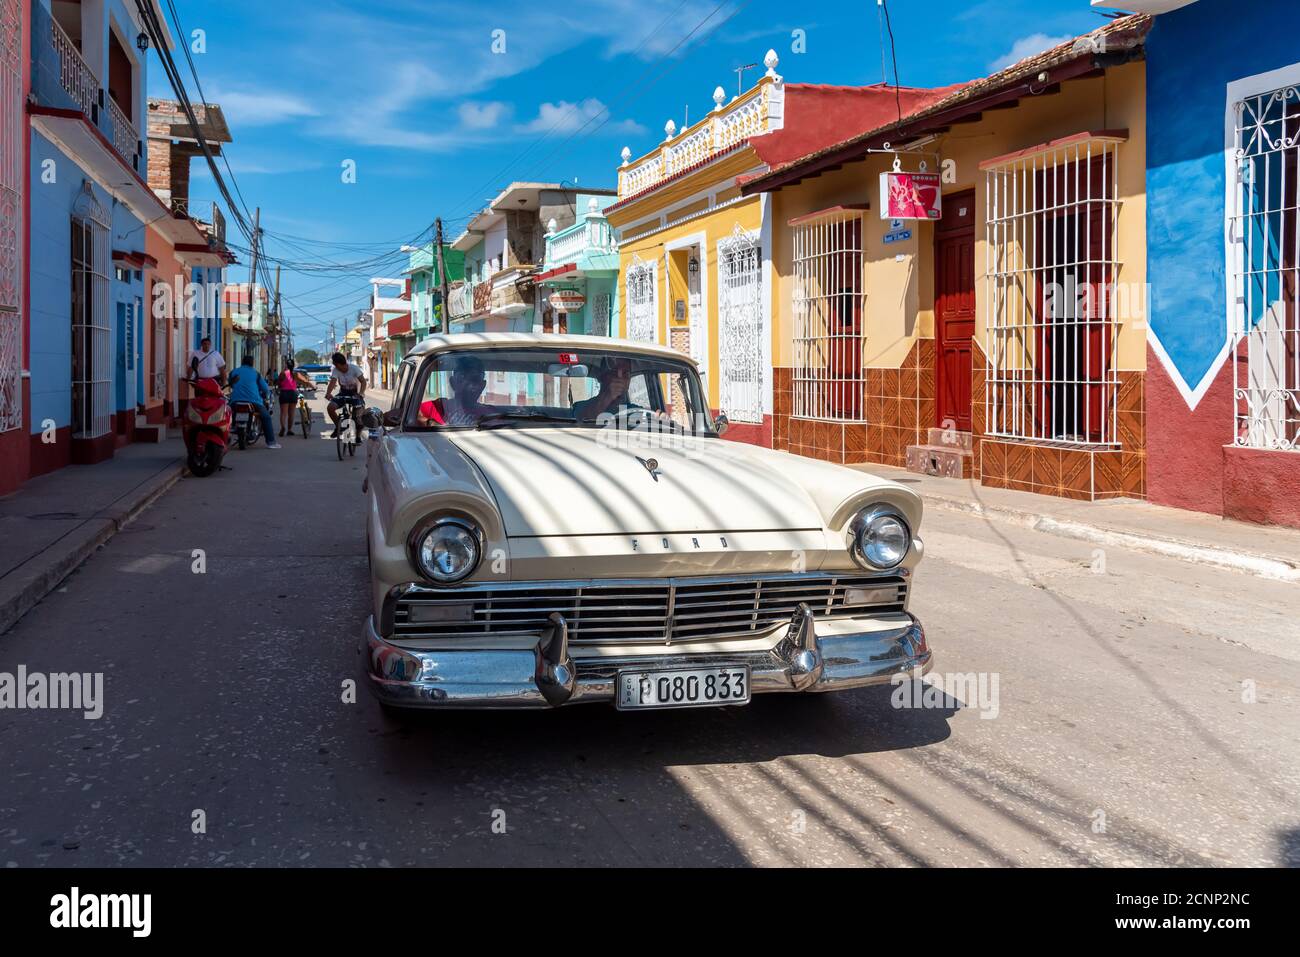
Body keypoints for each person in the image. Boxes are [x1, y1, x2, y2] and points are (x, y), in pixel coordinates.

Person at [416, 354, 493, 426]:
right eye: (462, 378)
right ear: (452, 382)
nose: (467, 384)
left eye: (474, 379)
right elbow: (410, 414)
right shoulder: (438, 407)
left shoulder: (491, 413)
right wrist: (430, 423)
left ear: (482, 386)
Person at [227, 355, 282, 449]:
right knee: (266, 417)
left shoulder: (234, 371)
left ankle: (228, 432)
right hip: (253, 401)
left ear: (242, 362)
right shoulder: (256, 373)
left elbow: (231, 384)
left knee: (226, 415)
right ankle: (271, 442)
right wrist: (267, 393)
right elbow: (265, 388)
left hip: (235, 400)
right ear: (252, 363)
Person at [573, 356, 644, 421]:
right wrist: (607, 397)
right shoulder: (581, 406)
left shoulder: (635, 411)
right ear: (601, 377)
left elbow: (651, 422)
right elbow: (581, 424)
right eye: (614, 372)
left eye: (625, 373)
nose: (620, 378)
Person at [325, 351, 367, 438]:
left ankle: (358, 436)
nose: (335, 366)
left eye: (335, 364)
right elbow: (332, 382)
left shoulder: (354, 368)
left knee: (358, 418)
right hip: (343, 392)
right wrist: (328, 393)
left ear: (340, 364)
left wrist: (361, 393)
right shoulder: (336, 370)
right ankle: (339, 427)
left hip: (355, 393)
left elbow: (363, 381)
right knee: (330, 407)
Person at [276, 358, 304, 437]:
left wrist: (279, 386)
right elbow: (301, 381)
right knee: (291, 413)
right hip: (293, 393)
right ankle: (289, 430)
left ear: (286, 365)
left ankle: (283, 427)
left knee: (283, 413)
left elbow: (279, 383)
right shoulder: (295, 373)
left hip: (284, 393)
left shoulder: (283, 373)